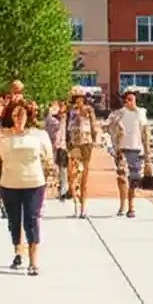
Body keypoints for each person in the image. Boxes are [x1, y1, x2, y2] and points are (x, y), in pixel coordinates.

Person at [0, 99, 54, 275]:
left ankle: (34, 260)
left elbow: (48, 158)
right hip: (9, 183)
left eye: (22, 114)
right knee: (14, 221)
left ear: (29, 115)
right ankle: (18, 250)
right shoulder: (4, 136)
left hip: (34, 182)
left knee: (31, 220)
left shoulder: (39, 135)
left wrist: (50, 174)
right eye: (15, 114)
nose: (19, 118)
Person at [104, 90, 152, 217]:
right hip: (122, 150)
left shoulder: (141, 113)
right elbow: (105, 126)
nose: (129, 102)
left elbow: (145, 133)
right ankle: (122, 204)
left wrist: (148, 155)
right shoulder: (118, 113)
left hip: (137, 149)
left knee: (134, 179)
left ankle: (131, 205)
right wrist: (114, 134)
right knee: (122, 177)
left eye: (132, 99)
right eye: (127, 99)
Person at [65, 89, 100, 219]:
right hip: (74, 143)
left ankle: (83, 207)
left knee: (85, 176)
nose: (79, 100)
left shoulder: (89, 110)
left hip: (86, 143)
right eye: (76, 97)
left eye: (81, 97)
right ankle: (75, 203)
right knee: (73, 175)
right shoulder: (70, 110)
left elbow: (93, 125)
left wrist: (95, 140)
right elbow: (66, 127)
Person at [45, 100, 69, 201]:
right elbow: (53, 124)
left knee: (63, 169)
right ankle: (51, 190)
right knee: (52, 167)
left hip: (62, 146)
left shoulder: (63, 118)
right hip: (51, 145)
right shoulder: (51, 119)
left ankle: (63, 191)